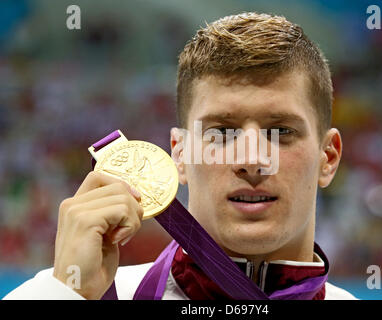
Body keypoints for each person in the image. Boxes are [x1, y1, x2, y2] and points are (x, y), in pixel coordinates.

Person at [4, 12, 356, 300]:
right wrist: (66, 292)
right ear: (181, 155)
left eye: (280, 131)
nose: (252, 159)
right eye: (222, 132)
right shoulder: (79, 295)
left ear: (328, 158)